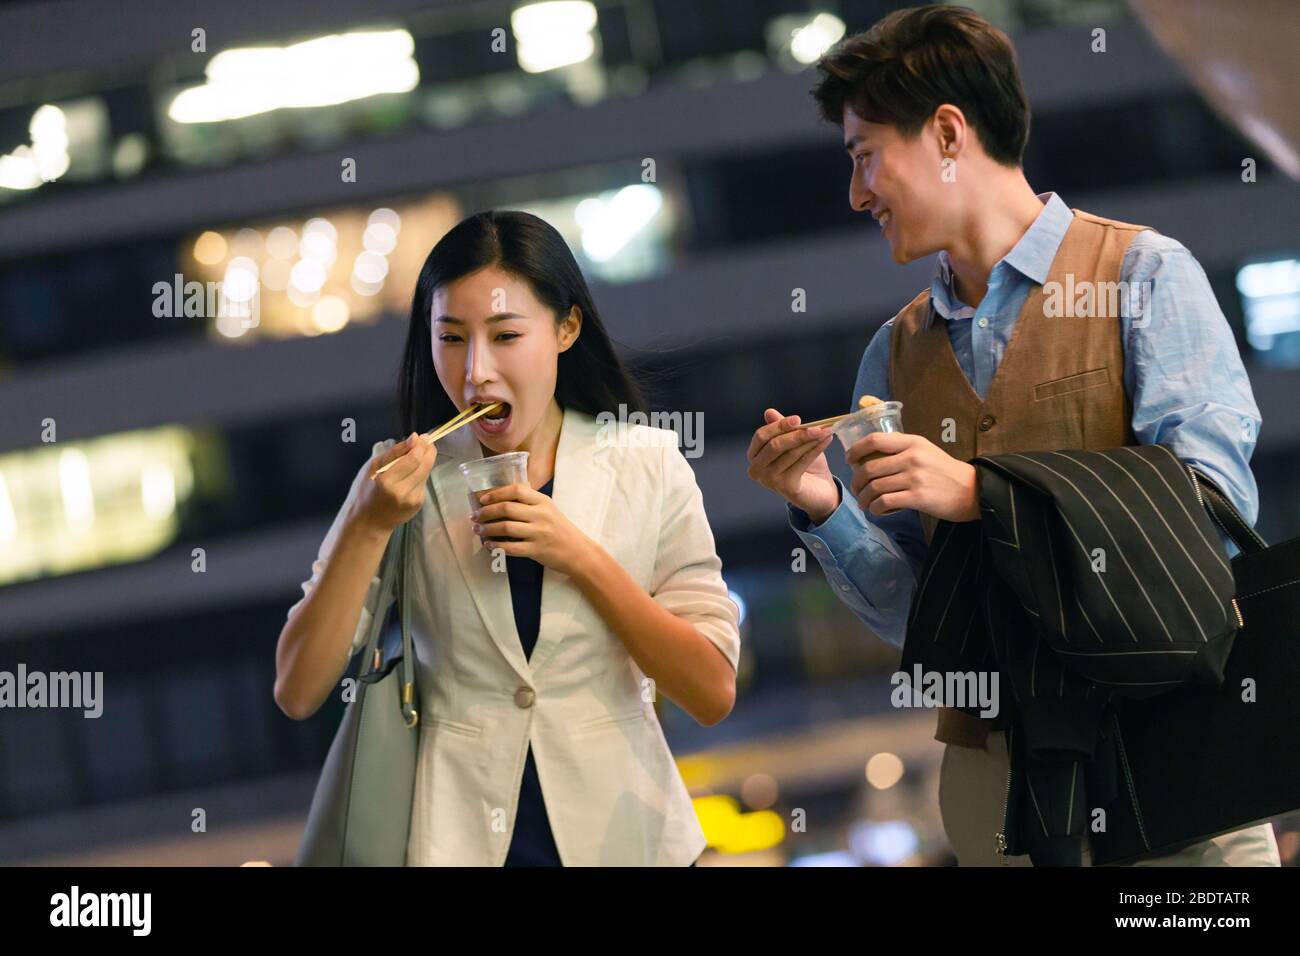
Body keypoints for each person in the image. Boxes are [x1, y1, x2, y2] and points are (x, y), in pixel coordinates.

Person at [746, 4, 1279, 866]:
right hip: (998, 782)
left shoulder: (1140, 273)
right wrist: (824, 506)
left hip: (1177, 754)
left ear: (949, 132)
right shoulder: (893, 355)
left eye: (864, 156)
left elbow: (1208, 515)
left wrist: (980, 493)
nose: (856, 193)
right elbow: (923, 619)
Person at [276, 210, 739, 866]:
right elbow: (297, 690)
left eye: (506, 335)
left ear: (566, 328)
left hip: (632, 845)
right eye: (452, 338)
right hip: (457, 844)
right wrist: (367, 523)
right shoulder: (397, 481)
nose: (476, 374)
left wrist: (576, 554)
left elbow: (712, 691)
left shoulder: (648, 463)